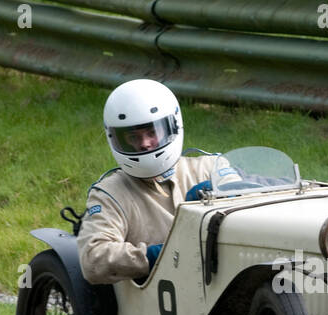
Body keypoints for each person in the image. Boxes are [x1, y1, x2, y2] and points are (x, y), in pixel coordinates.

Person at [78, 80, 224, 285]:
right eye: (132, 137)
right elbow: (94, 259)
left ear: (173, 127)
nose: (145, 144)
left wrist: (228, 192)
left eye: (152, 132)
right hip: (162, 292)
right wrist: (159, 254)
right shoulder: (109, 193)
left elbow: (254, 201)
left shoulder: (210, 168)